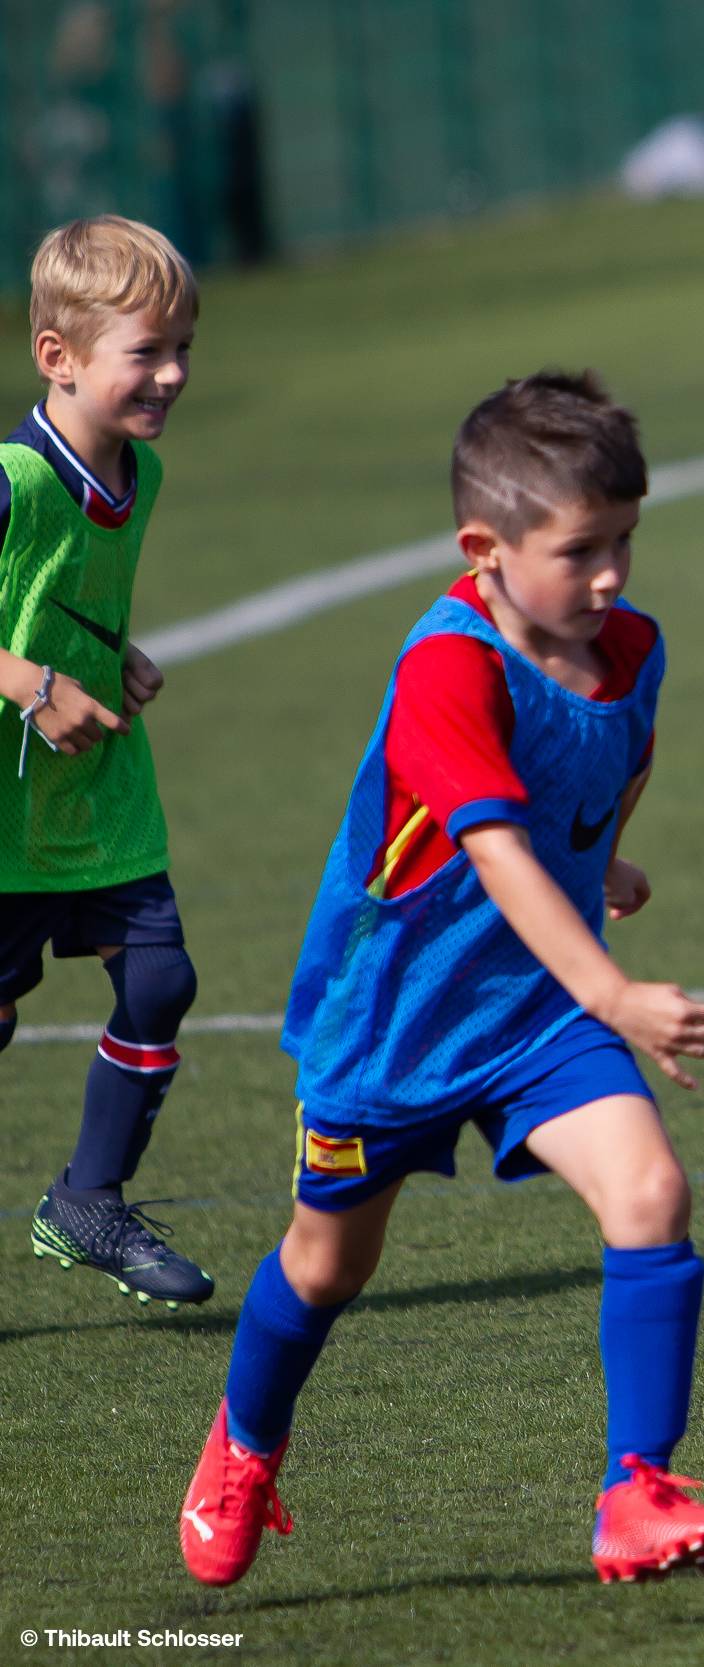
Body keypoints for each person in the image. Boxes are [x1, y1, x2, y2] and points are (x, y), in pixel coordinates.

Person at [179, 372, 704, 1587]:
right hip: (394, 1025)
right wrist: (619, 992)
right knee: (327, 1265)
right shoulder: (448, 666)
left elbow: (601, 771)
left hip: (534, 1011)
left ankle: (634, 1489)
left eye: (626, 541)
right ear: (482, 550)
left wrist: (606, 860)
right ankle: (245, 1441)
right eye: (582, 550)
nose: (614, 577)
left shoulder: (631, 647)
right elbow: (488, 846)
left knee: (649, 1191)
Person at [3, 214, 212, 1309]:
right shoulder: (14, 480)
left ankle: (88, 1198)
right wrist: (31, 684)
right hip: (6, 806)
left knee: (161, 977)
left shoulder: (138, 475)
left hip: (95, 789)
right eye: (147, 351)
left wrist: (105, 655)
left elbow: (51, 600)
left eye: (183, 347)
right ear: (60, 356)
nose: (172, 373)